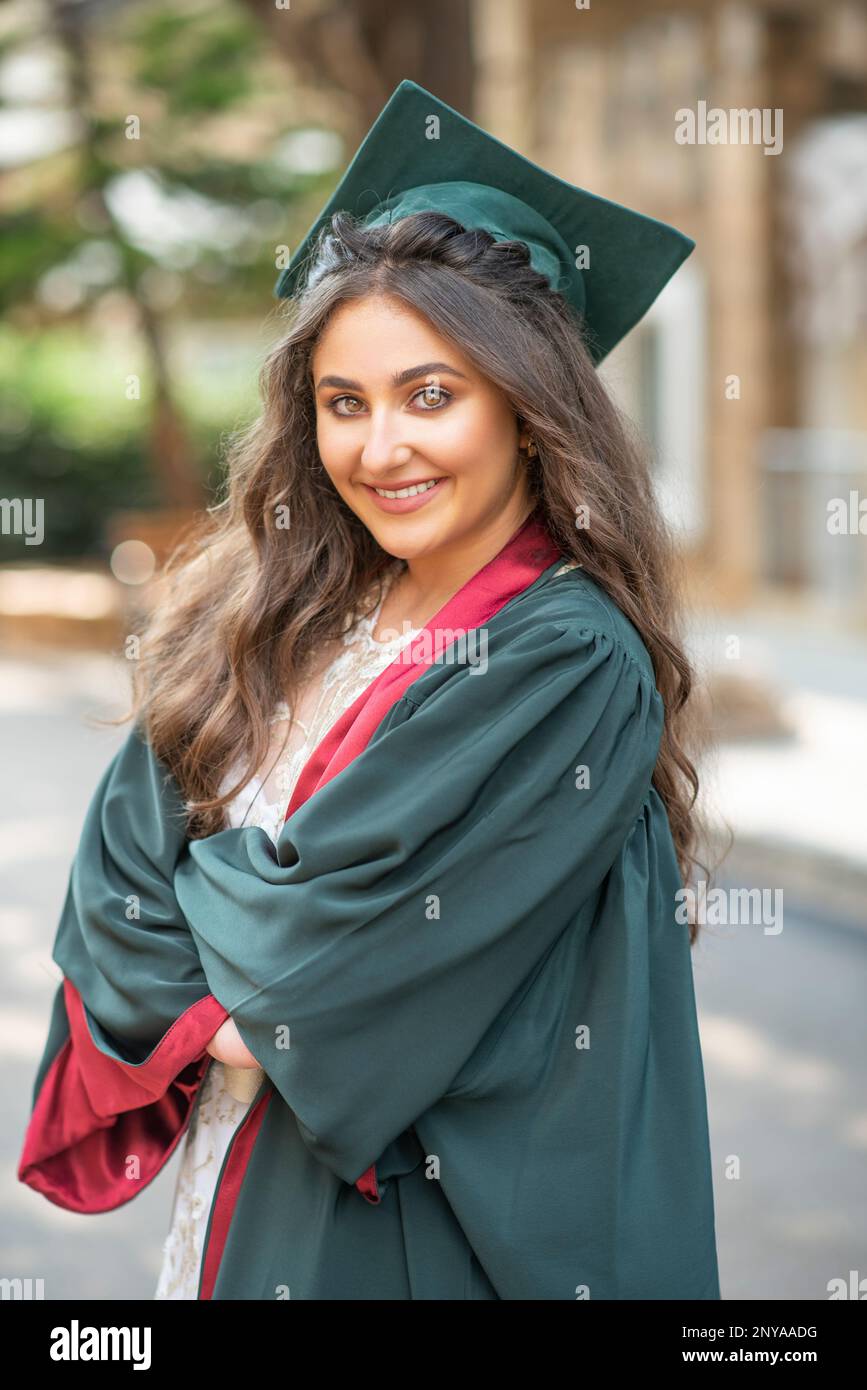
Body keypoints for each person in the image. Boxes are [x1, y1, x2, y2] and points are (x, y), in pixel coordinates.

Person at [18, 79, 721, 1300]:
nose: (378, 448)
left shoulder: (564, 660)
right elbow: (108, 887)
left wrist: (209, 904)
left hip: (403, 1241)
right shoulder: (271, 614)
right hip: (231, 1190)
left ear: (528, 406)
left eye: (430, 395)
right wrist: (234, 914)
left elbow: (313, 995)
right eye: (344, 402)